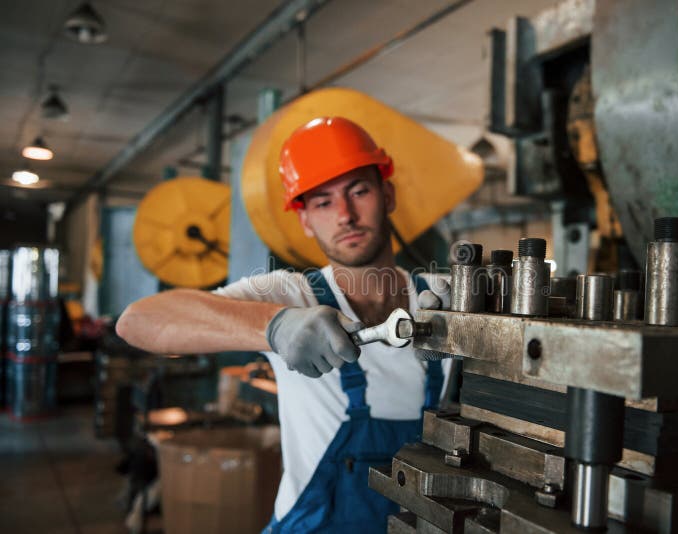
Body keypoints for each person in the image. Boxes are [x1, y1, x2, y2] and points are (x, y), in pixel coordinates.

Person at [116, 116, 451, 533]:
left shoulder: (446, 297)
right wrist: (274, 326)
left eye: (358, 191)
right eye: (323, 202)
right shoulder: (288, 294)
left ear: (388, 194)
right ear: (306, 220)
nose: (344, 215)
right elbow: (138, 322)